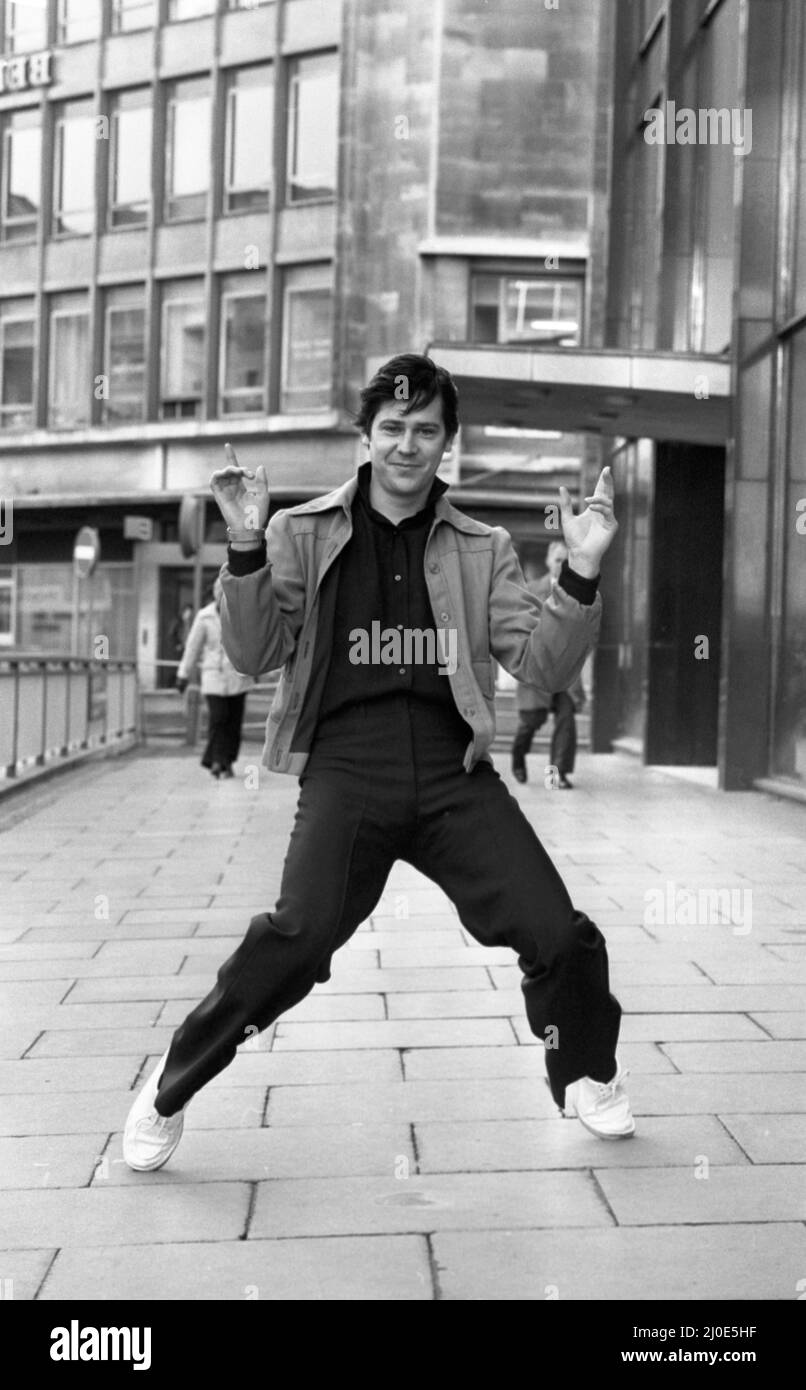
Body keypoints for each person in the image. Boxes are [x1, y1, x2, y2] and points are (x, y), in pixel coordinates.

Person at [124, 352, 634, 1172]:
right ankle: (169, 1085)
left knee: (556, 930)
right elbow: (254, 655)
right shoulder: (299, 532)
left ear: (446, 445)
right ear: (365, 437)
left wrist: (580, 570)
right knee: (295, 939)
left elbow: (538, 669)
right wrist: (248, 546)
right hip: (347, 771)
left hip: (451, 770)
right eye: (392, 428)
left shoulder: (484, 546)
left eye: (425, 431)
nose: (407, 445)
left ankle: (586, 1069)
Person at [511, 541, 587, 788]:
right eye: (558, 560)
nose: (562, 565)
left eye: (567, 561)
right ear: (547, 561)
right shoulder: (532, 590)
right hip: (537, 669)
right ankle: (518, 755)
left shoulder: (580, 593)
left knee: (566, 720)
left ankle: (556, 776)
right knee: (532, 722)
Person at [174, 579, 253, 779]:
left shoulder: (243, 613)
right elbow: (192, 647)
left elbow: (253, 642)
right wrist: (183, 674)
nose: (222, 595)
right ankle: (218, 761)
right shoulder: (204, 616)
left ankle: (227, 759)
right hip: (213, 676)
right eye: (219, 592)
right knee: (218, 719)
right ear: (215, 594)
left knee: (234, 723)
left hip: (238, 676)